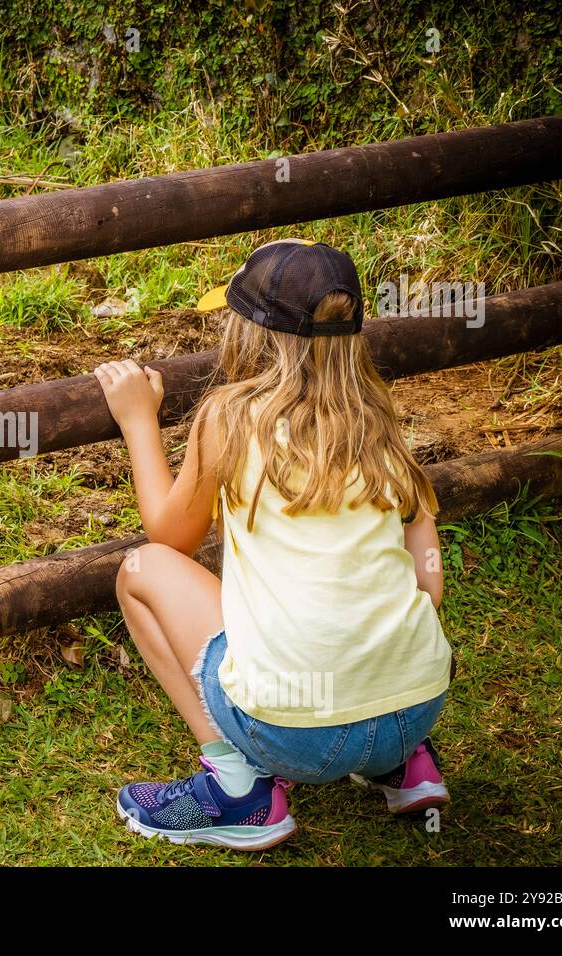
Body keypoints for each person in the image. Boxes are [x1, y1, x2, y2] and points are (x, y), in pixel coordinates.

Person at [93, 239, 452, 851]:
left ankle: (239, 791)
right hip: (413, 709)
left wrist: (137, 421)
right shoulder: (381, 424)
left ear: (252, 335)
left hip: (297, 735)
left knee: (141, 571)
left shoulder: (230, 418)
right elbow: (429, 584)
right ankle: (406, 767)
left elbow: (169, 535)